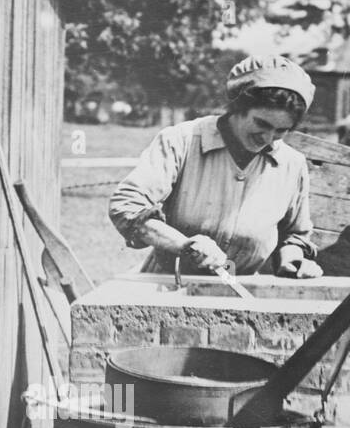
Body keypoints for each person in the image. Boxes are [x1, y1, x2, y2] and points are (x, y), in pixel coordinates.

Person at [108, 55, 323, 279]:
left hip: (242, 289)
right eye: (261, 124)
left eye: (281, 131)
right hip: (169, 282)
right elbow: (126, 206)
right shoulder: (181, 140)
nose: (268, 138)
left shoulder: (292, 164)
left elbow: (294, 235)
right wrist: (185, 246)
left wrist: (294, 262)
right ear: (238, 107)